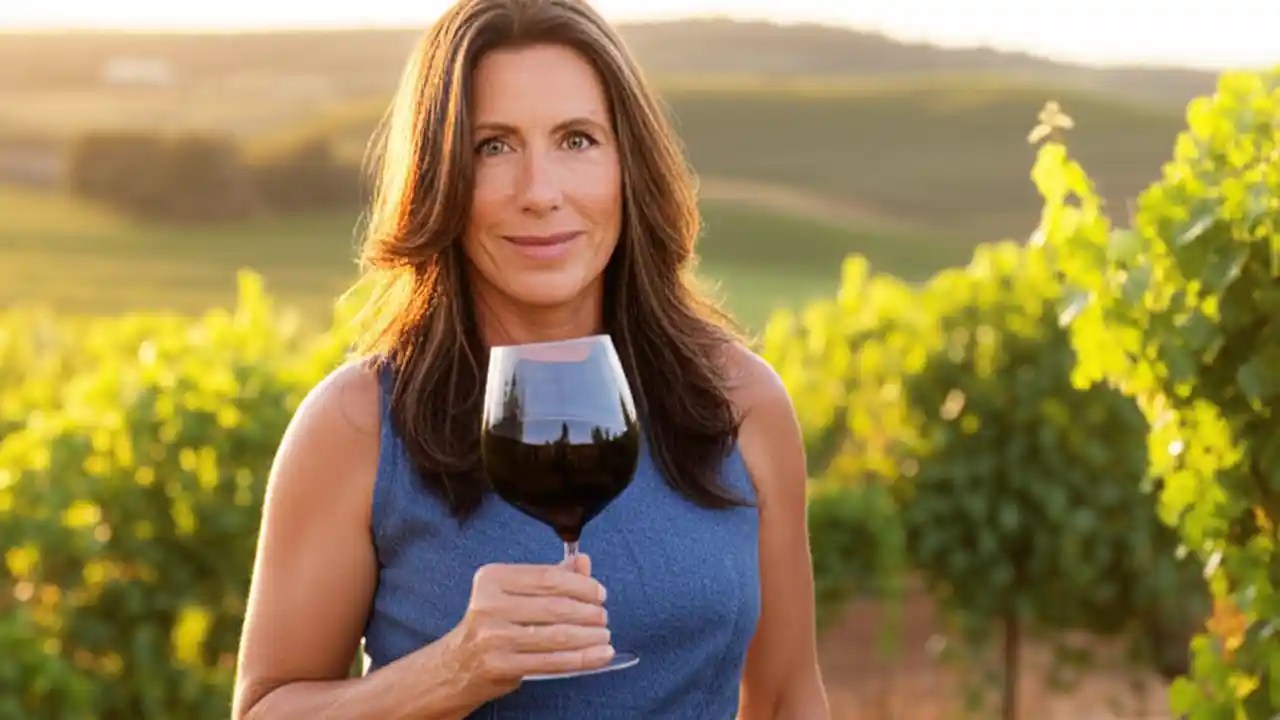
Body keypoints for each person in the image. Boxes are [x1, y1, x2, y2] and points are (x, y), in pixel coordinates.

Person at [231, 0, 829, 717]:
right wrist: (452, 670)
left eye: (577, 140)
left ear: (627, 166)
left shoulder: (740, 400)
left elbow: (790, 694)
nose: (540, 193)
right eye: (493, 146)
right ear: (439, 176)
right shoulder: (356, 426)